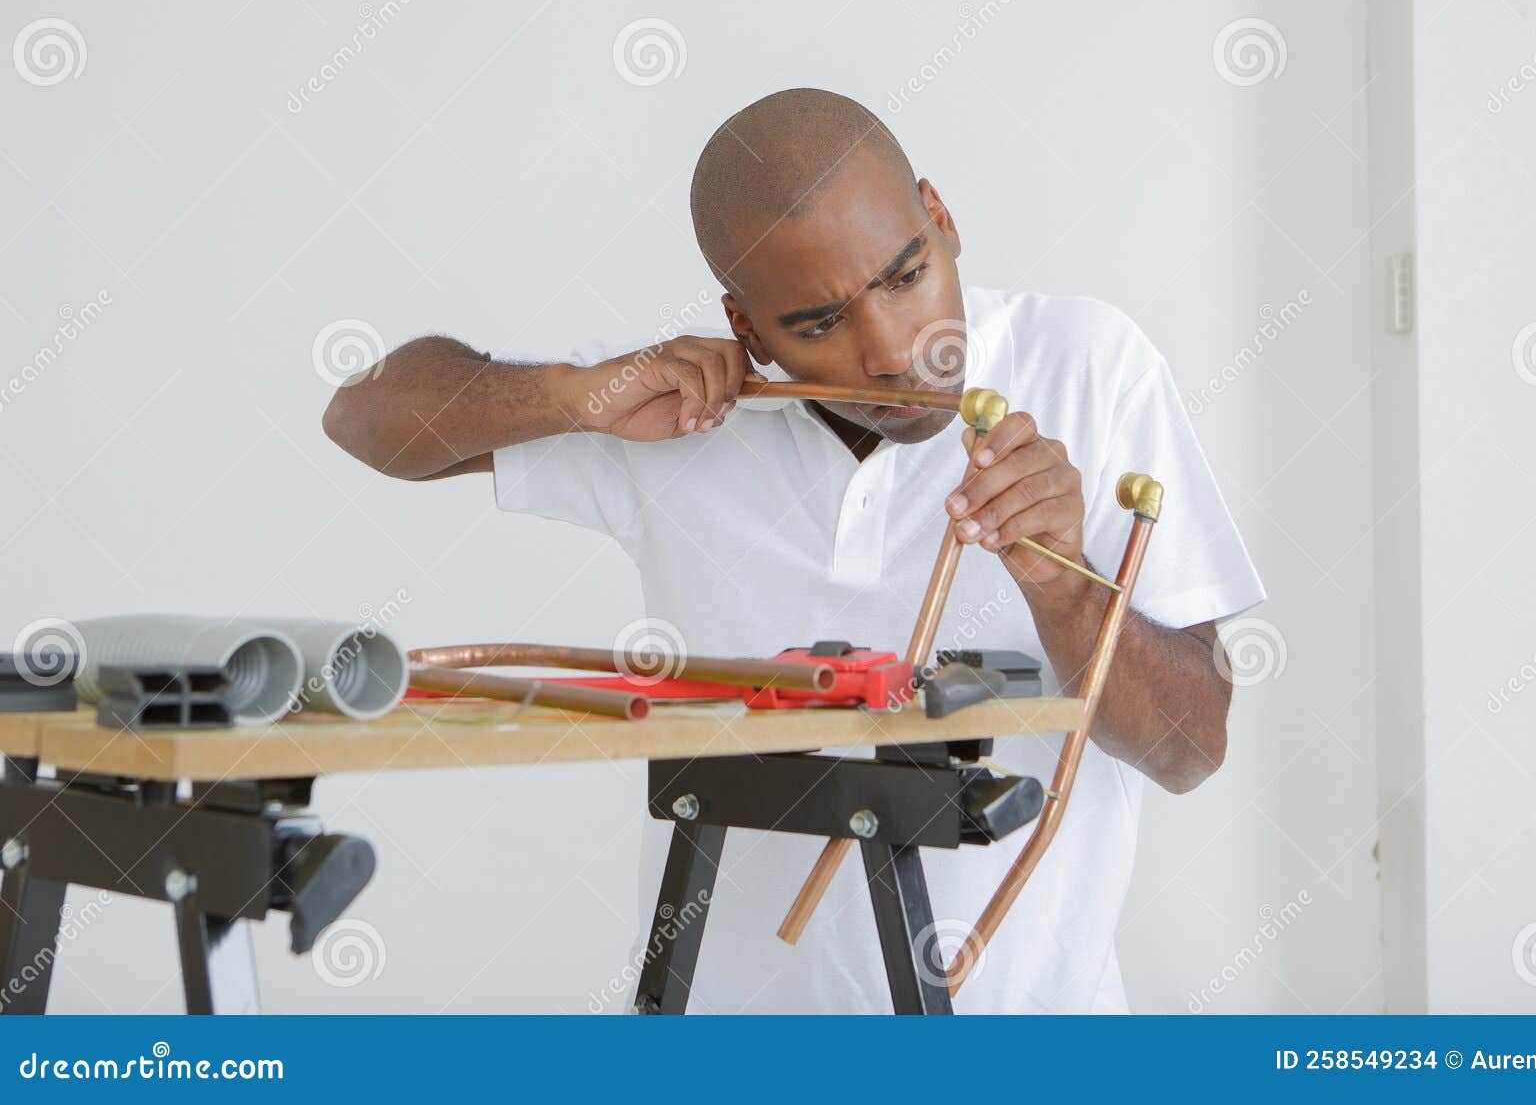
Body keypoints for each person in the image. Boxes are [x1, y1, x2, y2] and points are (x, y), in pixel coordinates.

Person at [323, 87, 1265, 1012]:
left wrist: (1068, 591)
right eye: (819, 324)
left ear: (940, 219)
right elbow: (362, 415)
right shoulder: (676, 403)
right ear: (748, 329)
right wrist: (572, 395)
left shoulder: (1091, 364)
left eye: (906, 276)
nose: (890, 350)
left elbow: (1192, 749)